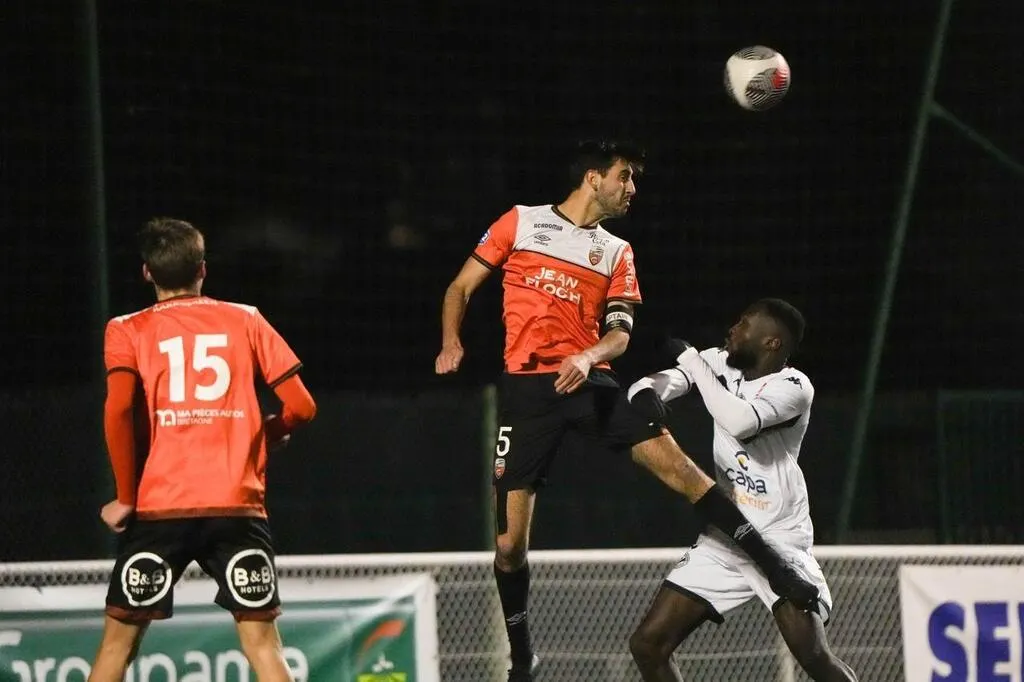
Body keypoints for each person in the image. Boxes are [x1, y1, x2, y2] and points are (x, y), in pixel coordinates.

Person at [435, 139, 645, 680]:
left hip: (587, 378)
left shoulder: (616, 250)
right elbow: (459, 286)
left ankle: (741, 536)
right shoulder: (522, 221)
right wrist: (450, 342)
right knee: (507, 546)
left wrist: (592, 352)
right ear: (594, 177)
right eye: (625, 175)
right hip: (525, 391)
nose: (632, 187)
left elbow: (621, 332)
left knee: (673, 462)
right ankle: (522, 654)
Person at [88, 218, 317, 682]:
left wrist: (126, 495)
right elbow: (303, 407)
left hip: (160, 510)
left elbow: (117, 411)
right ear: (203, 269)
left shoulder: (126, 329)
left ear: (147, 273)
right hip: (237, 506)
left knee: (117, 648)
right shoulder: (246, 318)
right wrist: (265, 433)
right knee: (263, 649)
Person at [624, 299, 858, 681]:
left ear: (772, 343)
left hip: (779, 539)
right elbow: (647, 384)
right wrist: (649, 395)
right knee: (648, 645)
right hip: (727, 536)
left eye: (745, 325)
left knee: (814, 656)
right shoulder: (720, 362)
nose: (733, 330)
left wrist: (693, 363)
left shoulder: (794, 387)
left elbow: (739, 421)